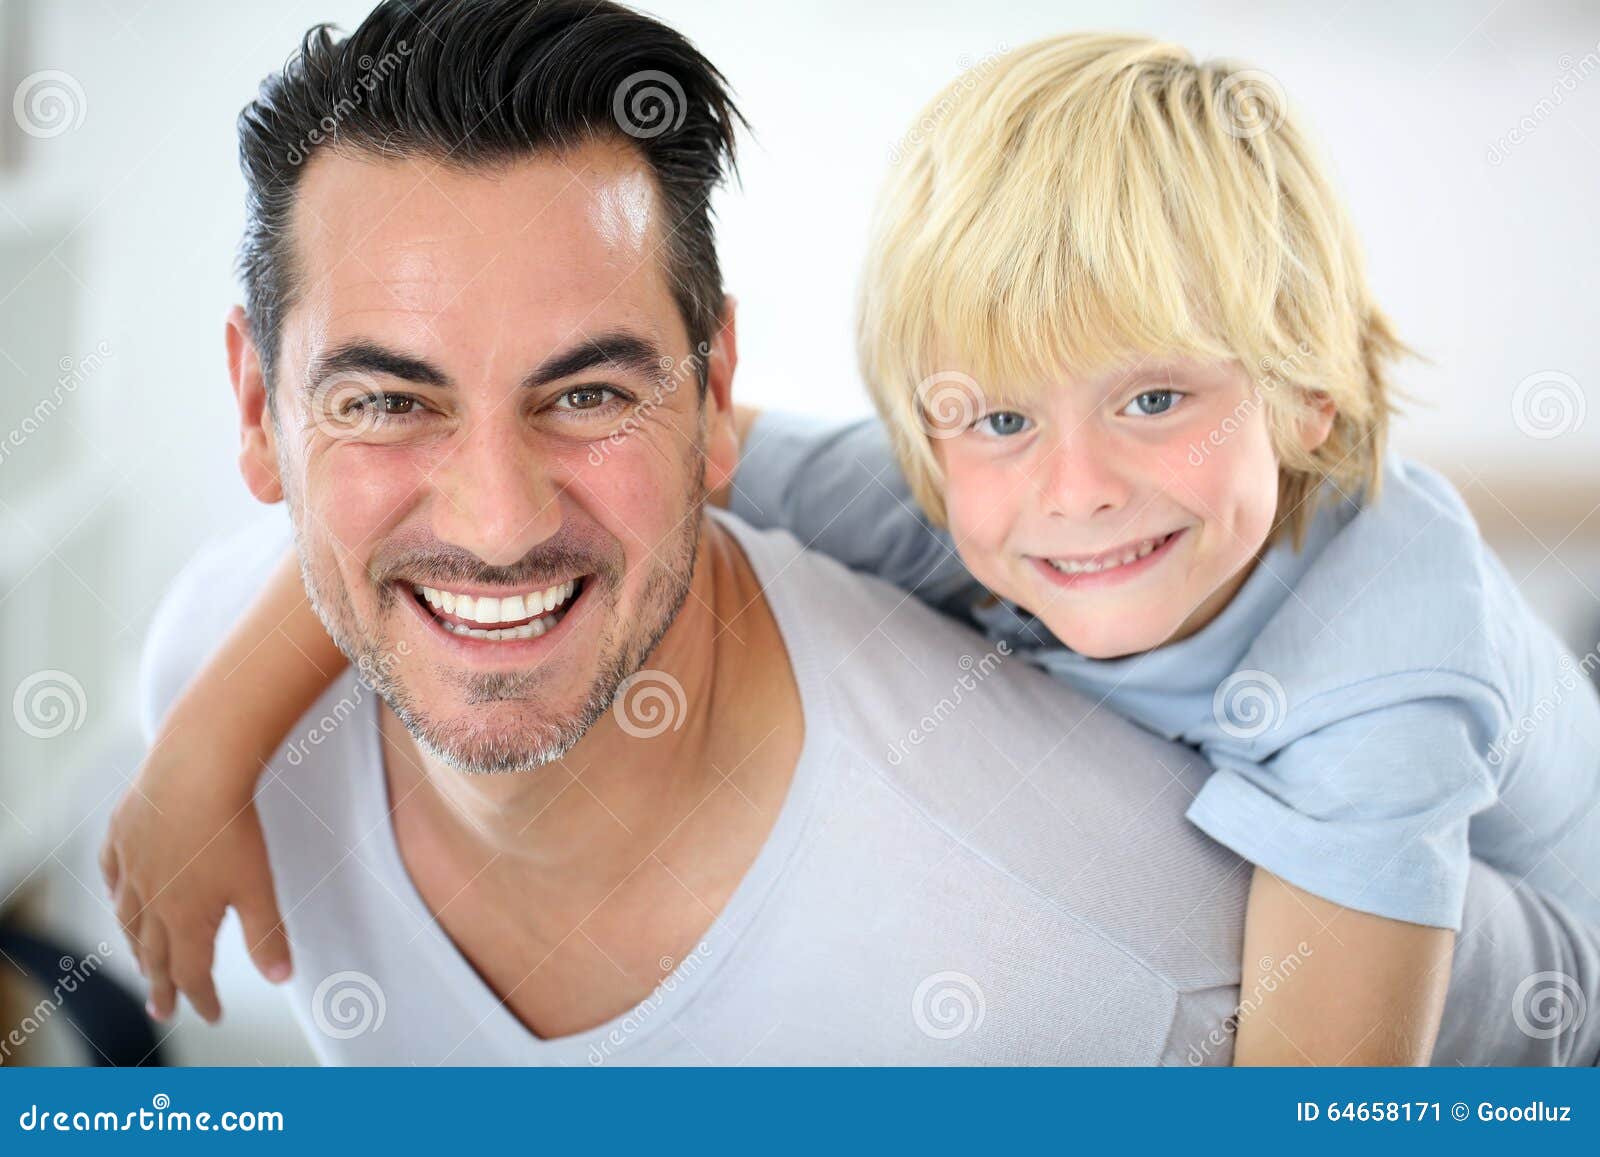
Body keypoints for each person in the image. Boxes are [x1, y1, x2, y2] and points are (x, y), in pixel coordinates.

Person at [104, 2, 1600, 1064]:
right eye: (1002, 415)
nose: (1072, 487)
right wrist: (201, 756)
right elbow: (485, 529)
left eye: (1156, 395)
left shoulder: (1383, 660)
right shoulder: (936, 491)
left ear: (1314, 405)